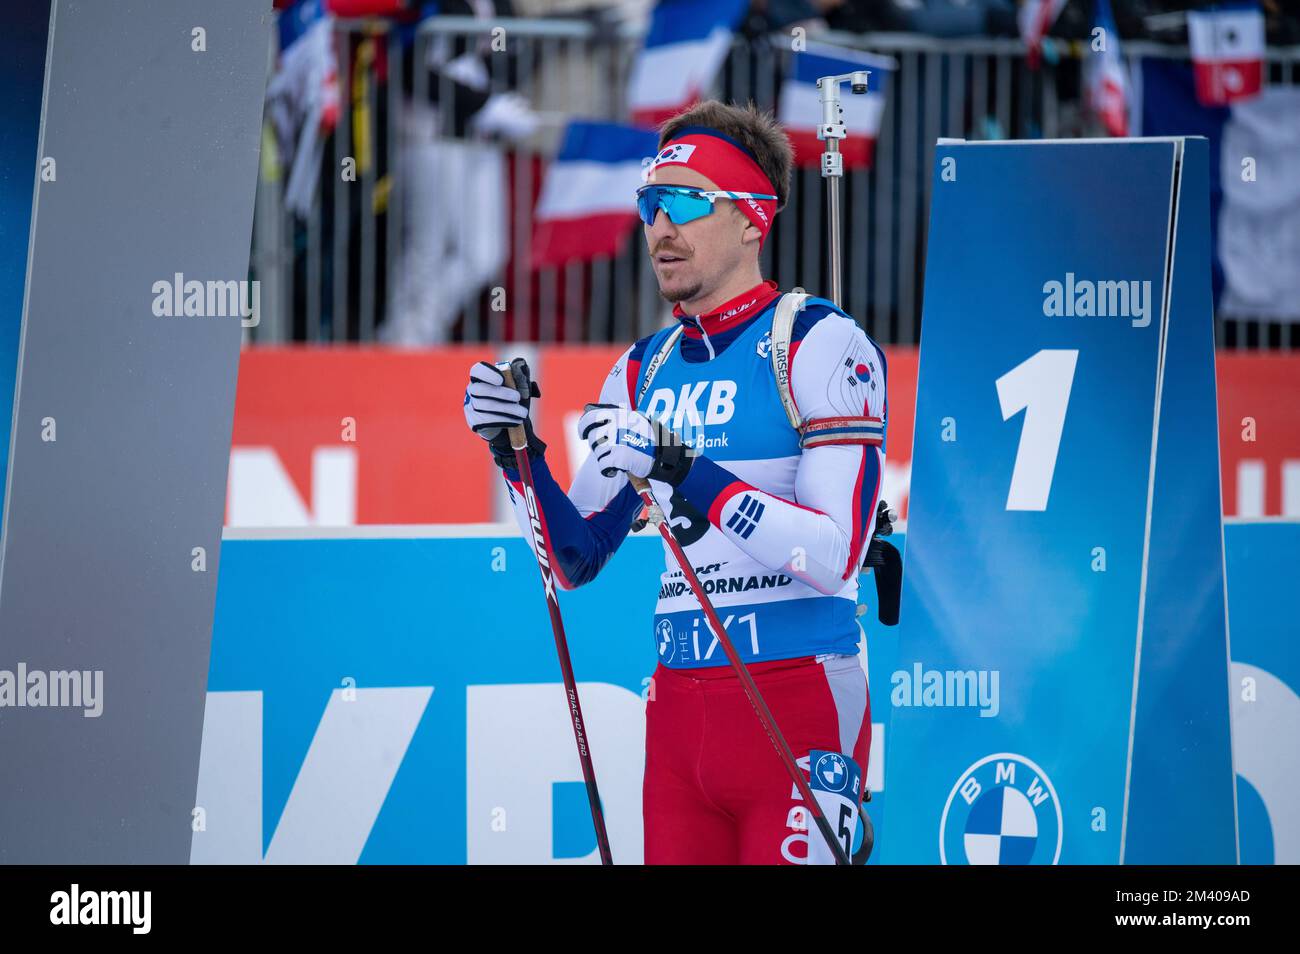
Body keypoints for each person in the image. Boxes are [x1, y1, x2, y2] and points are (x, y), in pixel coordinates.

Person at [463, 100, 887, 865]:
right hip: (680, 717)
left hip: (796, 705)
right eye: (650, 204)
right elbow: (576, 558)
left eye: (688, 202)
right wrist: (517, 451)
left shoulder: (818, 343)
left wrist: (681, 469)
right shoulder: (642, 370)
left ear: (754, 217)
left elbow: (834, 558)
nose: (660, 227)